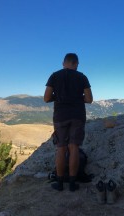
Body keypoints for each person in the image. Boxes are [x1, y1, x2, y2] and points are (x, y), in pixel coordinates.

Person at [44, 53, 93, 192]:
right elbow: (89, 99)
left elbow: (46, 98)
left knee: (61, 148)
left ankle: (59, 183)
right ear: (76, 63)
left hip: (60, 116)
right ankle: (72, 183)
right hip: (77, 115)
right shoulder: (82, 77)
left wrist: (59, 97)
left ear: (63, 63)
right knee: (74, 147)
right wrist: (76, 98)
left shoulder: (55, 76)